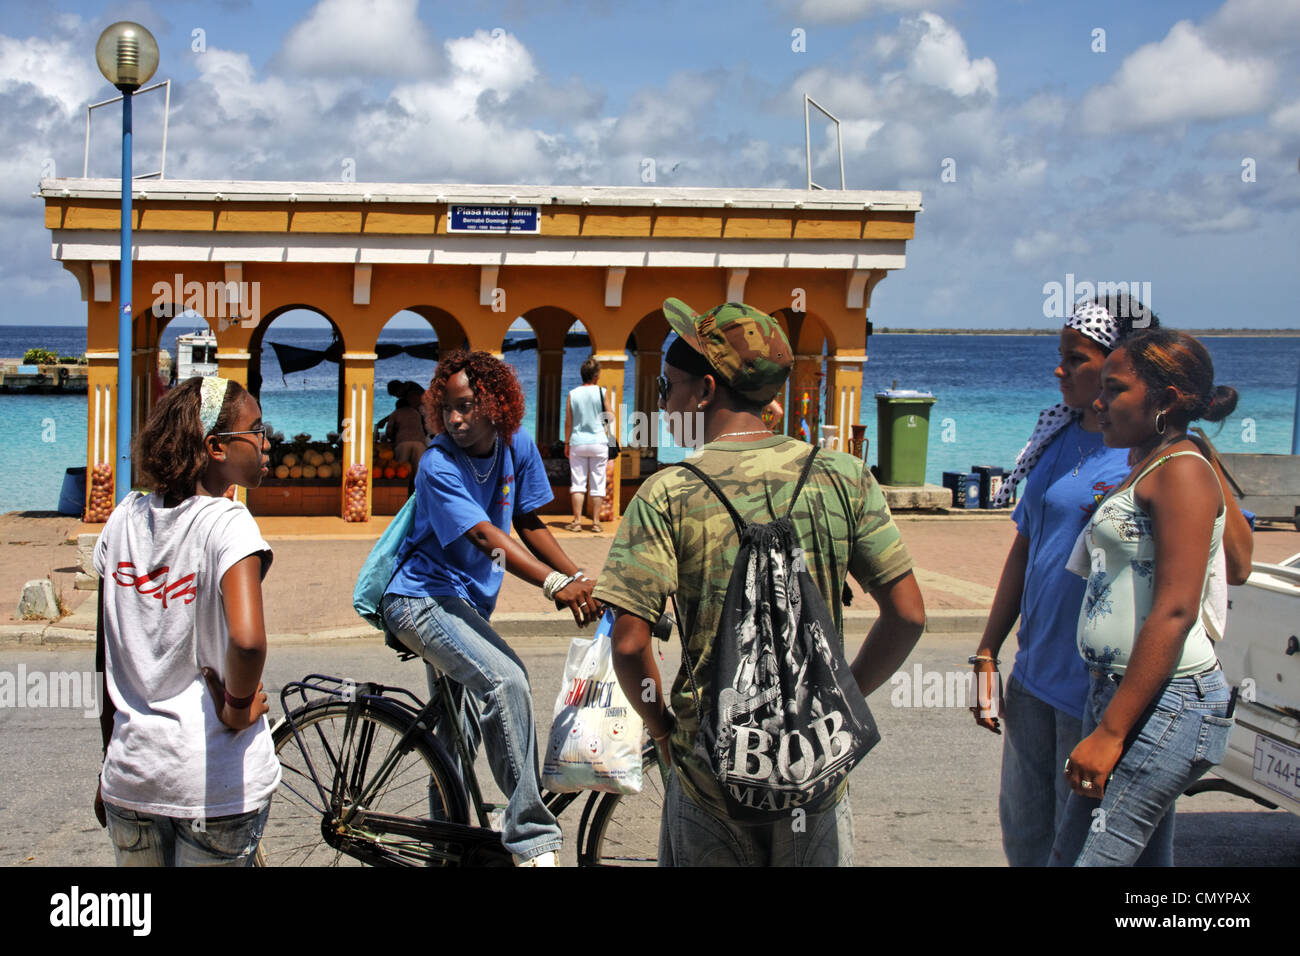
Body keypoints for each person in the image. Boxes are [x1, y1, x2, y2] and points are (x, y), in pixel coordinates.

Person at [594, 299, 927, 866]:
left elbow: (628, 644)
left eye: (665, 388)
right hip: (816, 776)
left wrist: (664, 734)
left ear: (703, 391)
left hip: (710, 779)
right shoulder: (843, 476)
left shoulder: (667, 493)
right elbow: (909, 615)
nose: (662, 403)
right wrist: (841, 699)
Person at [381, 349, 600, 867]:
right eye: (448, 408)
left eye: (468, 407)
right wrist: (552, 586)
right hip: (419, 599)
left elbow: (527, 520)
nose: (456, 419)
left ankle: (446, 847)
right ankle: (531, 840)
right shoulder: (437, 463)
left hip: (464, 605)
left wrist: (576, 577)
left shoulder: (515, 446)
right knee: (507, 681)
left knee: (457, 734)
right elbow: (485, 536)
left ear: (496, 405)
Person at [972, 298, 1160, 866]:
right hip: (1033, 682)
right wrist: (987, 651)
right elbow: (1025, 547)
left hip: (1097, 693)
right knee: (1026, 843)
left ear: (1116, 365)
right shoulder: (1055, 438)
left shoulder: (1146, 449)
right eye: (1061, 357)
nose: (1059, 370)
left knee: (1080, 852)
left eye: (1073, 359)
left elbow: (1225, 559)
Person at [1049, 328, 1240, 866]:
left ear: (1166, 400)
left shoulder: (1183, 471)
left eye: (1116, 389)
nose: (1099, 402)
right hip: (1122, 694)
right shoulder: (1151, 465)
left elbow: (1177, 609)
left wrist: (1111, 732)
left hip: (1168, 703)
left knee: (1084, 857)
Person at [93, 375, 279, 866]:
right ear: (216, 447)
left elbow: (105, 659)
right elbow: (246, 640)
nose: (267, 441)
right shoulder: (227, 521)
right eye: (256, 430)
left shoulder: (122, 520)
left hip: (133, 777)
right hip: (212, 785)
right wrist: (238, 707)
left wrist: (107, 762)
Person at [563, 356, 615, 532]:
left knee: (578, 483)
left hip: (578, 442)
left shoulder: (573, 394)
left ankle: (577, 521)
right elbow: (610, 416)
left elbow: (568, 422)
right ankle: (595, 522)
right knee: (598, 483)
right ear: (596, 375)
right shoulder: (602, 393)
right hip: (599, 442)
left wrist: (567, 442)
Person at [384, 382, 429, 466]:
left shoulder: (413, 393)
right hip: (421, 439)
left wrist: (384, 421)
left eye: (396, 395)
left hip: (427, 428)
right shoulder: (410, 390)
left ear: (399, 389)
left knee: (402, 468)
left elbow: (403, 412)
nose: (397, 397)